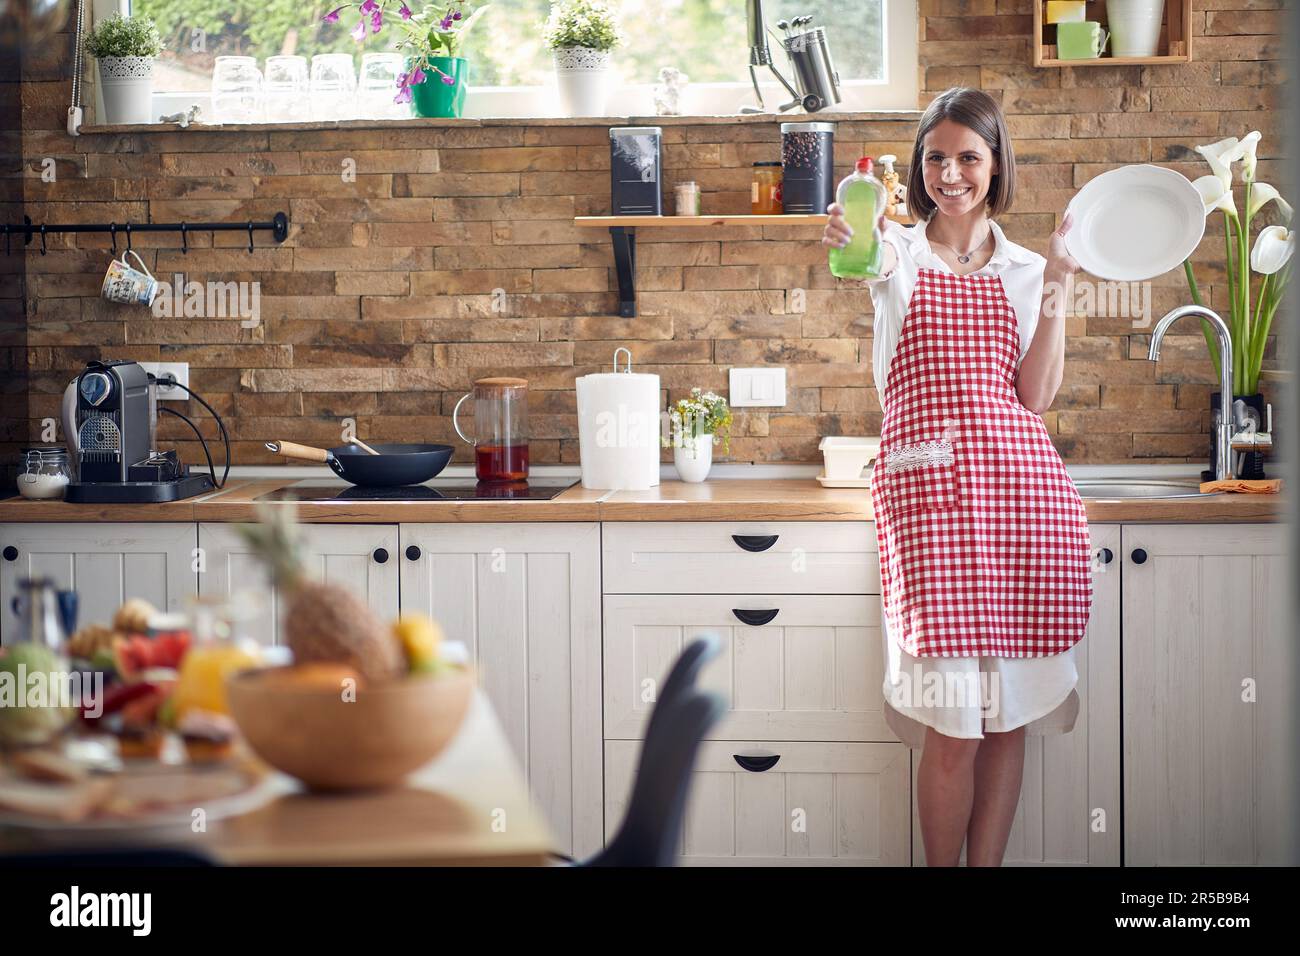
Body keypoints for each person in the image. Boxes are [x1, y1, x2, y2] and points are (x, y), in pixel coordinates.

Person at [821, 87, 1093, 867]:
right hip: (930, 505)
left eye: (968, 157)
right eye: (935, 158)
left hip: (1020, 499)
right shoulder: (894, 251)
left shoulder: (1029, 267)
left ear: (995, 163)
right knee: (953, 726)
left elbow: (1035, 398)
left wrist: (1062, 285)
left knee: (1007, 720)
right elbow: (857, 251)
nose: (950, 173)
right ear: (918, 167)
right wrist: (851, 225)